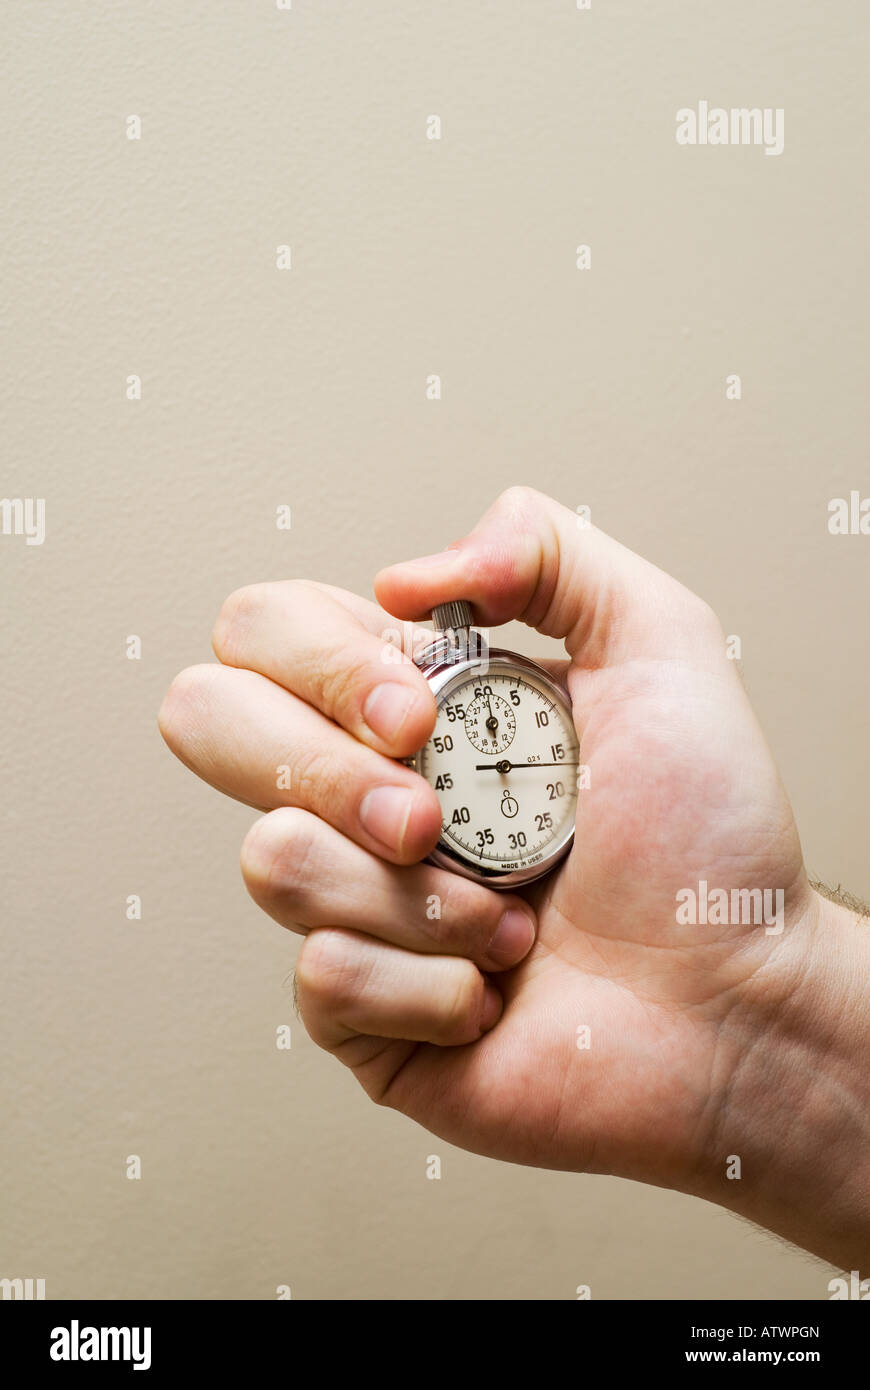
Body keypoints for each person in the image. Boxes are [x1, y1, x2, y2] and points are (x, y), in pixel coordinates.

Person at [158, 487, 870, 1272]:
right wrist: (769, 1031)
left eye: (505, 752)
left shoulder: (556, 724)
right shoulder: (448, 738)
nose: (500, 765)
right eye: (475, 763)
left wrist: (770, 994)